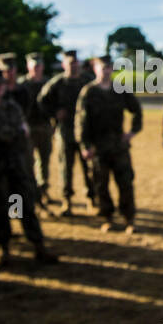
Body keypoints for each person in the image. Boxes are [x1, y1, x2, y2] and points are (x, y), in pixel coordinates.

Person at [0, 69, 59, 266]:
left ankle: (37, 245)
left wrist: (7, 133)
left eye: (1, 85)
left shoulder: (12, 107)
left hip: (15, 166)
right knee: (0, 209)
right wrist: (10, 133)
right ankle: (4, 248)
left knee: (22, 205)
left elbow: (22, 132)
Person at [76, 54, 142, 233]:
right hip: (98, 148)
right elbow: (81, 122)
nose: (105, 71)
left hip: (119, 147)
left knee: (126, 183)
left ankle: (129, 219)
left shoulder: (120, 89)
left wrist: (132, 132)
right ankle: (107, 218)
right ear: (95, 68)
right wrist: (84, 145)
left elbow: (136, 110)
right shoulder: (88, 92)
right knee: (100, 185)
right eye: (102, 67)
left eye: (108, 67)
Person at [38, 49, 97, 216]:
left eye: (76, 62)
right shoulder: (57, 83)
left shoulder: (87, 81)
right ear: (64, 65)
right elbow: (42, 101)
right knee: (66, 168)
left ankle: (91, 199)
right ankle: (67, 202)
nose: (74, 65)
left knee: (89, 168)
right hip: (65, 132)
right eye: (70, 63)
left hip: (85, 133)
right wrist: (54, 113)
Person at [21, 52, 54, 204]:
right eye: (34, 66)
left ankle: (43, 189)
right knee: (28, 163)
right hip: (27, 129)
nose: (37, 68)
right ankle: (32, 193)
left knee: (44, 162)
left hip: (45, 127)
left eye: (39, 66)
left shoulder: (49, 83)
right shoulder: (22, 85)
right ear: (28, 66)